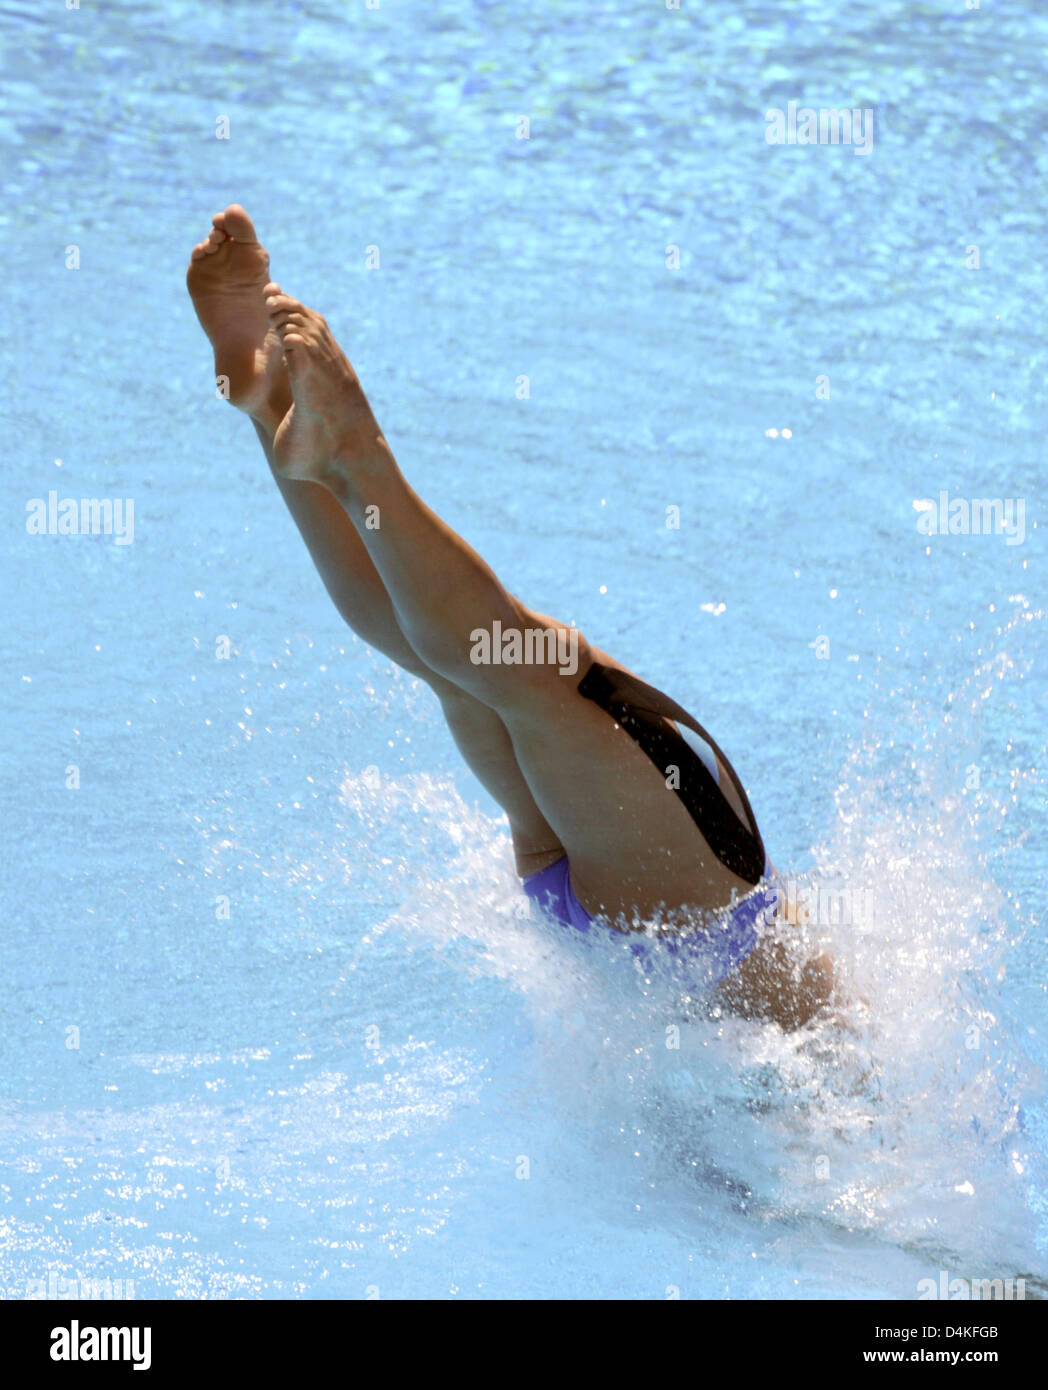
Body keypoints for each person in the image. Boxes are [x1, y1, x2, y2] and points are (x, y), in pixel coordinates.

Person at [187, 205, 834, 1030]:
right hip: (589, 924)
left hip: (705, 907)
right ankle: (270, 398)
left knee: (530, 674)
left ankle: (347, 446)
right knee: (458, 671)